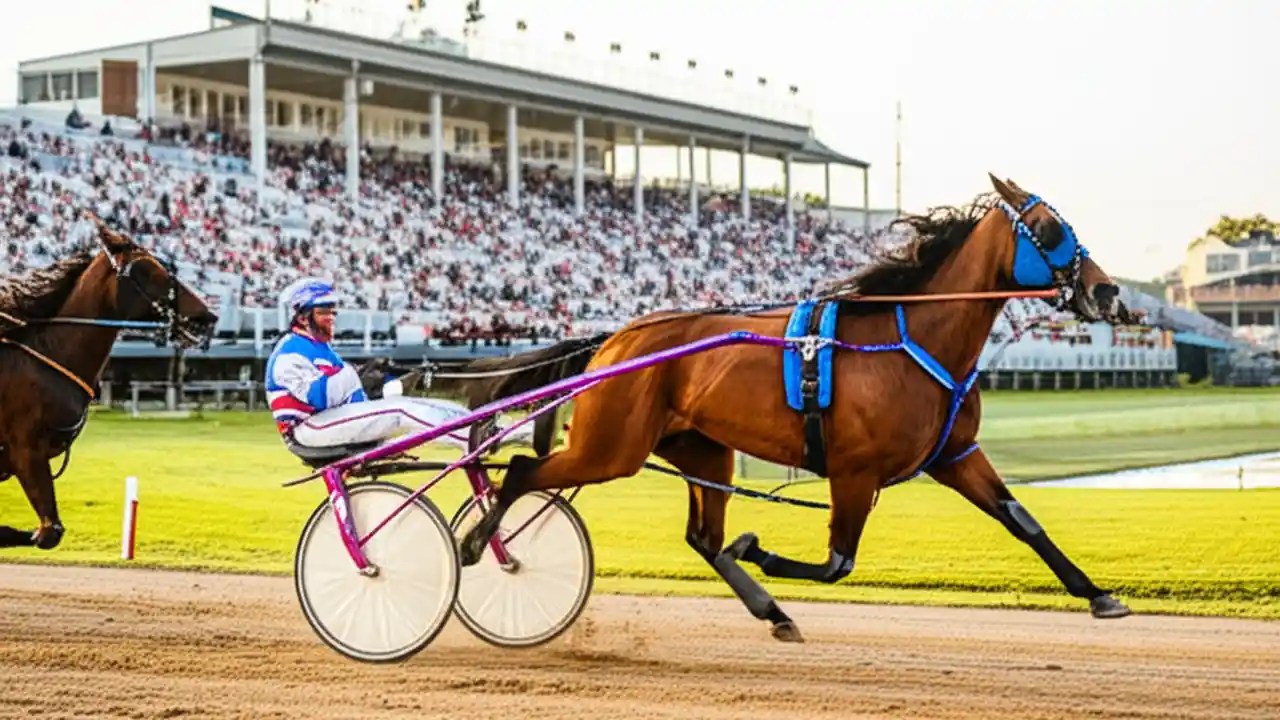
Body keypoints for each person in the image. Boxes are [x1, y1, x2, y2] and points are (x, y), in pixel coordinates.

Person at [264, 281, 528, 453]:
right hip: (307, 430)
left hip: (328, 421)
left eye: (333, 312)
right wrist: (353, 374)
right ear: (301, 316)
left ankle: (514, 430)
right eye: (324, 313)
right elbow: (320, 398)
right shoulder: (289, 353)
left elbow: (352, 397)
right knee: (401, 409)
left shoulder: (322, 350)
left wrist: (369, 386)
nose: (331, 319)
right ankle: (477, 440)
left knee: (439, 406)